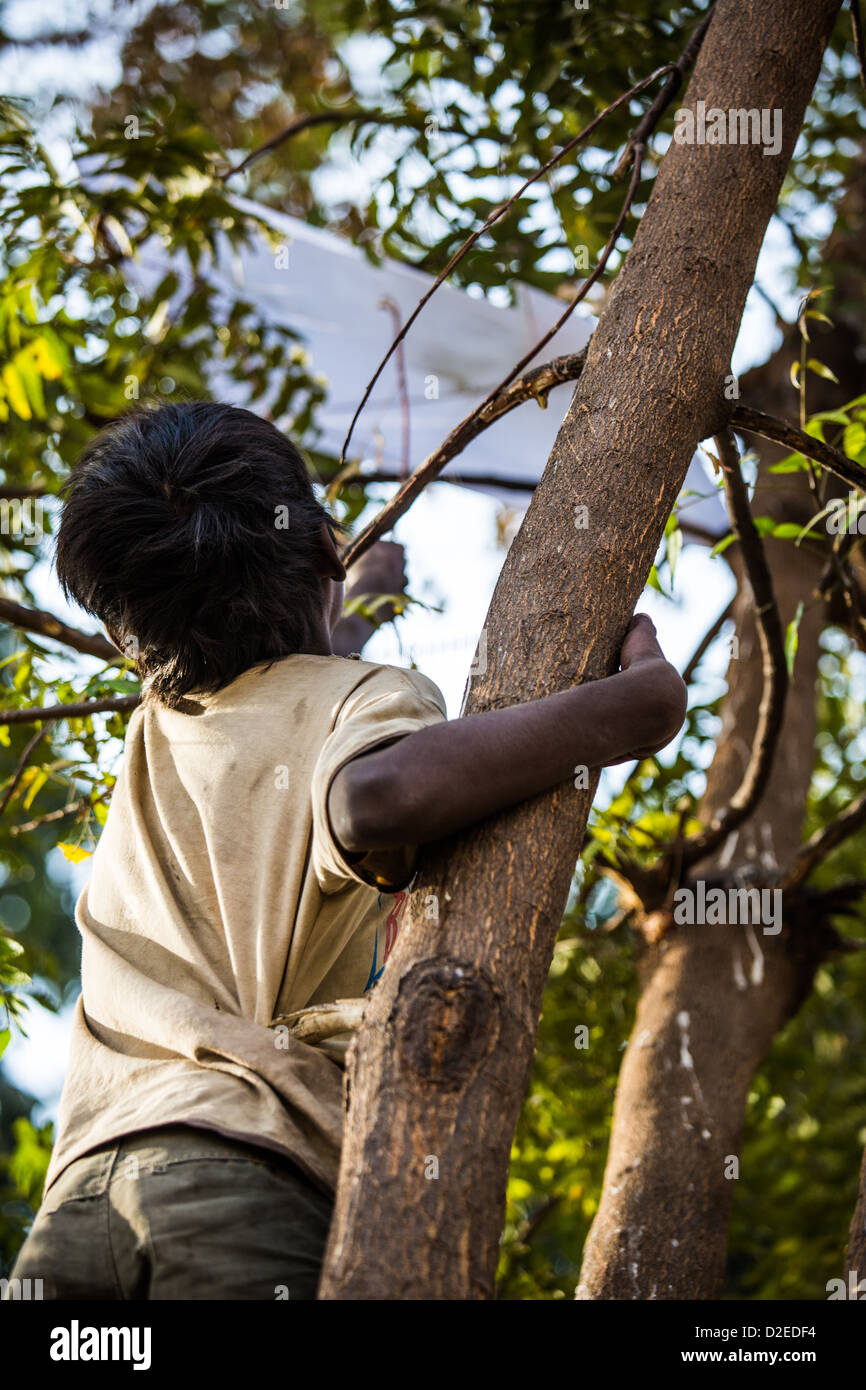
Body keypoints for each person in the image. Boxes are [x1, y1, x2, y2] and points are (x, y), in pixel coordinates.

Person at [7, 401, 686, 1301]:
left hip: (79, 1200)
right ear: (323, 551)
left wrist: (350, 609)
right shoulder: (356, 697)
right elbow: (375, 795)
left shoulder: (157, 724)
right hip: (241, 1175)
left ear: (128, 637)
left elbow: (278, 724)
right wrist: (635, 708)